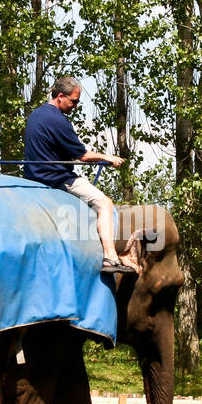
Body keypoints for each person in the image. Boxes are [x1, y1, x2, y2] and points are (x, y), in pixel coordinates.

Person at [23, 76, 139, 274]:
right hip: (57, 179)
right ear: (60, 96)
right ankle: (111, 256)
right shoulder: (58, 121)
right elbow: (83, 156)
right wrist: (108, 157)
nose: (75, 106)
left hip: (33, 176)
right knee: (105, 203)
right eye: (74, 101)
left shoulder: (35, 115)